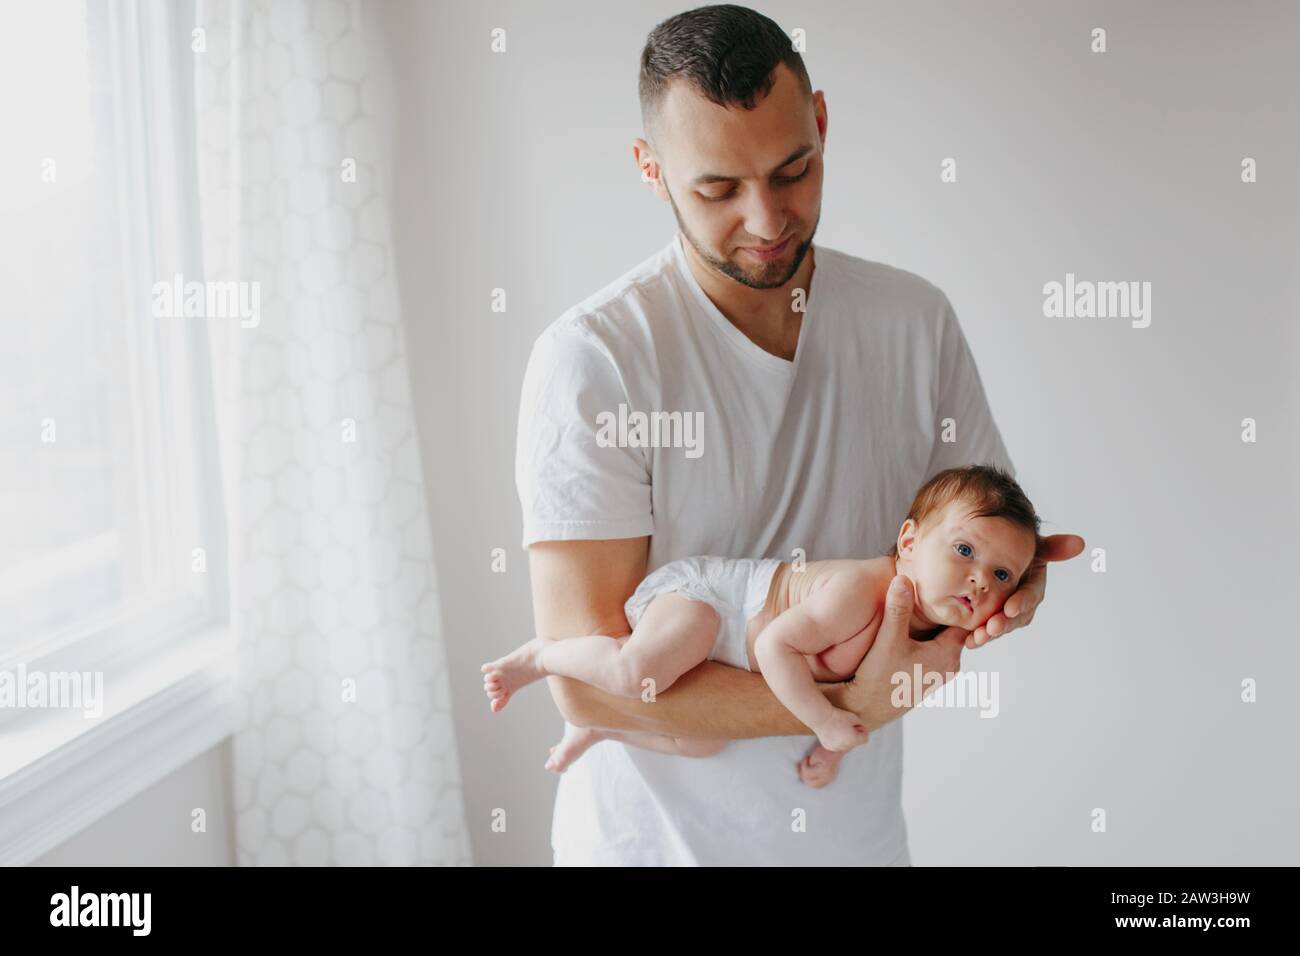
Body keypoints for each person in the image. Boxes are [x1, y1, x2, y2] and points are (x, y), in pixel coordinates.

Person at [514, 4, 1084, 866]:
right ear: (651, 169)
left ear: (820, 123)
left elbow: (978, 539)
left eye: (794, 170)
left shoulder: (913, 322)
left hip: (854, 838)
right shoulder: (593, 361)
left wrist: (1016, 586)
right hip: (651, 847)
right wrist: (852, 701)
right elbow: (586, 693)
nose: (768, 218)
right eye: (717, 188)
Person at [488, 465, 1052, 790]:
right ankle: (542, 657)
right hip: (711, 601)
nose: (980, 581)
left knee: (702, 741)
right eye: (963, 551)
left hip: (726, 654)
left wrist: (835, 745)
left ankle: (605, 730)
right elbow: (776, 644)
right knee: (641, 675)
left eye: (1001, 574)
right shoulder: (862, 591)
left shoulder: (926, 643)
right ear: (908, 542)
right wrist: (827, 722)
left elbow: (869, 698)